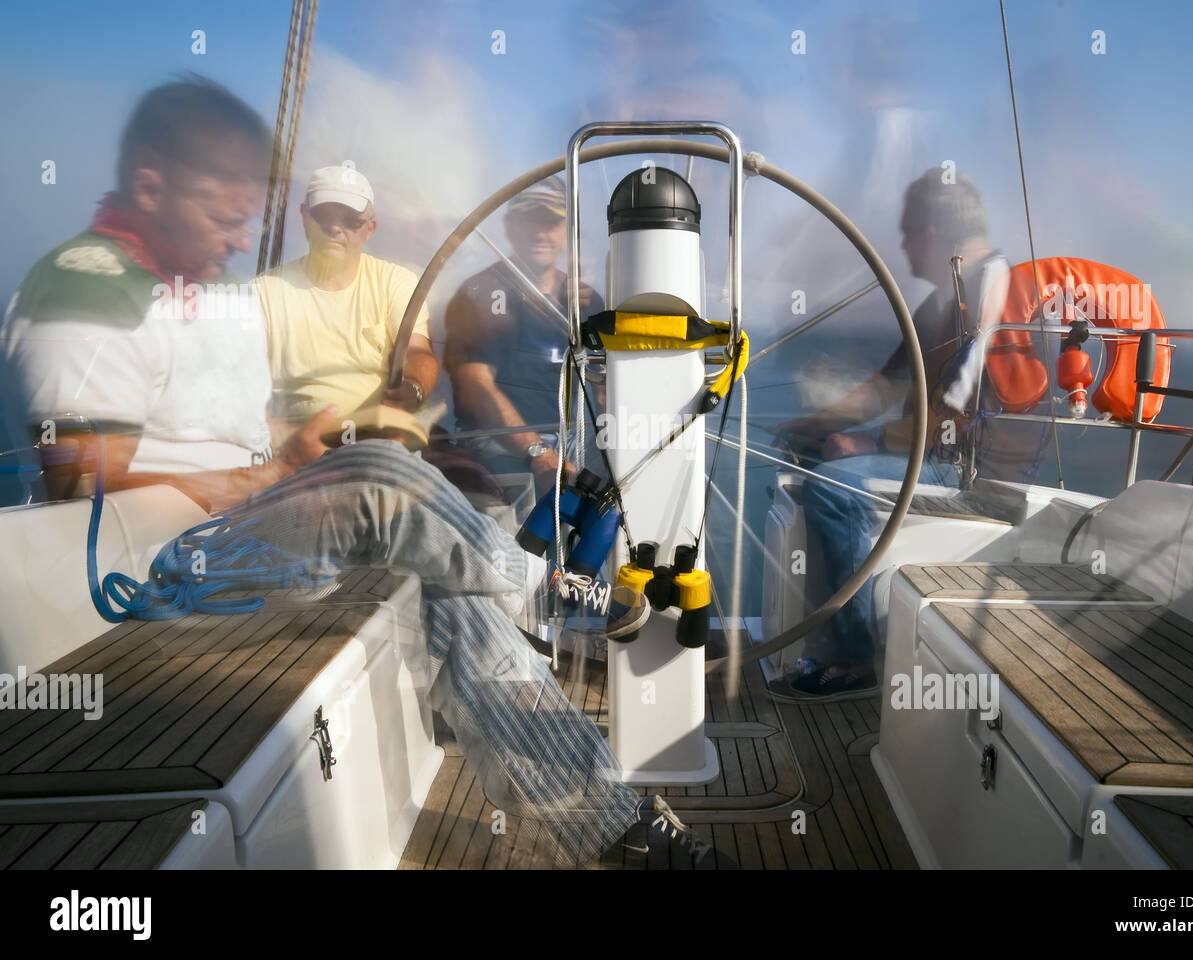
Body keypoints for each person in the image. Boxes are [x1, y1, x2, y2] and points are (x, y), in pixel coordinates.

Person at [0, 76, 719, 869]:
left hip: (243, 536)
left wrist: (292, 447)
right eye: (225, 215)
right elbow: (79, 483)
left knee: (448, 586)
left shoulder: (200, 295)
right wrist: (273, 472)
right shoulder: (89, 285)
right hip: (180, 566)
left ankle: (619, 831)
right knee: (377, 474)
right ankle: (545, 590)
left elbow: (215, 435)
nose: (244, 240)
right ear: (150, 184)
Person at [770, 168, 1045, 702]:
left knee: (832, 486)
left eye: (907, 230)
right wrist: (817, 426)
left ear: (935, 231)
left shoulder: (991, 288)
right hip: (938, 449)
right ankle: (817, 639)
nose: (901, 242)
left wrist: (875, 442)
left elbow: (960, 413)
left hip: (970, 464)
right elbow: (886, 384)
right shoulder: (944, 297)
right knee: (810, 459)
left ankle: (854, 661)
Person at [442, 176, 604, 490]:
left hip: (573, 440)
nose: (540, 233)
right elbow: (473, 385)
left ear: (567, 231)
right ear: (510, 226)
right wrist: (537, 453)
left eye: (551, 222)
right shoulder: (479, 292)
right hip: (496, 443)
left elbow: (605, 386)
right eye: (530, 220)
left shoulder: (586, 300)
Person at [256, 164, 438, 438]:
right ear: (304, 217)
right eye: (323, 215)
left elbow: (418, 353)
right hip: (293, 448)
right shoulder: (263, 293)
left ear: (370, 228)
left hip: (379, 442)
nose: (334, 228)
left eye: (350, 220)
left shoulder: (396, 282)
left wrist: (413, 388)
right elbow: (235, 385)